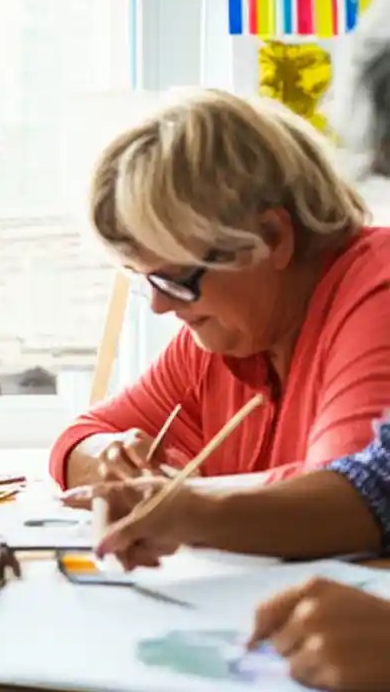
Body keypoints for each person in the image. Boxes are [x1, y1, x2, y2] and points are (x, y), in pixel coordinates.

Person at [49, 88, 390, 491]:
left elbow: (353, 497)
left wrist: (186, 504)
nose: (159, 305)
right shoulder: (223, 339)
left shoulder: (375, 291)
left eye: (176, 279)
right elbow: (76, 442)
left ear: (272, 236)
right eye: (148, 280)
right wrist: (113, 459)